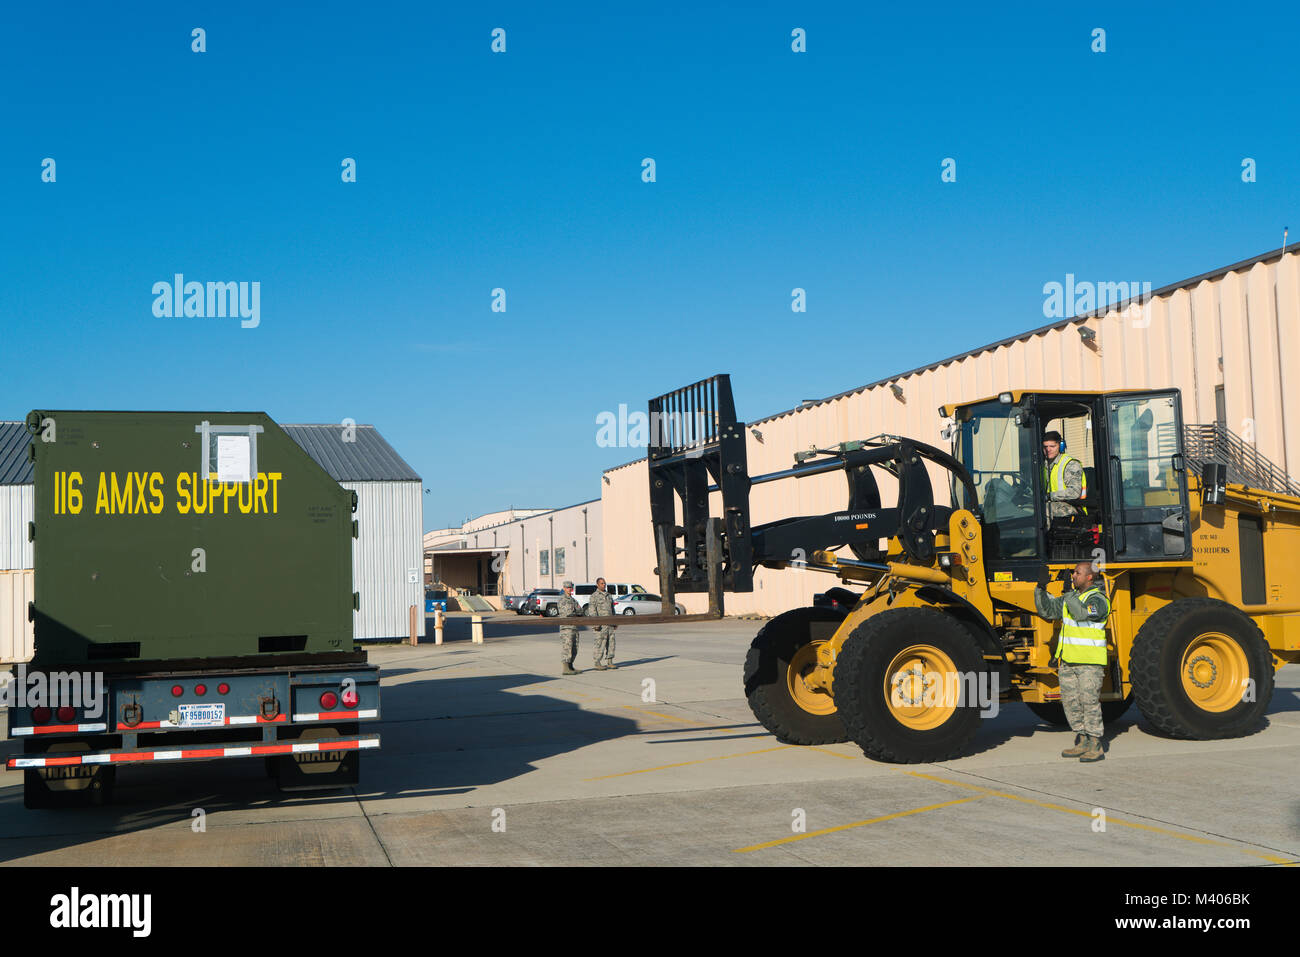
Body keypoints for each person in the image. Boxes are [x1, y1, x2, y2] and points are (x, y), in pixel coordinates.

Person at [1034, 561, 1111, 762]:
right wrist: (1040, 588)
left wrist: (1068, 595)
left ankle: (1095, 744)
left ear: (1089, 577)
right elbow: (1048, 611)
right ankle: (1082, 742)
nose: (1073, 576)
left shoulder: (1099, 600)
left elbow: (1081, 614)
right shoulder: (1073, 597)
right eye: (1074, 572)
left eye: (1078, 573)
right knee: (1071, 703)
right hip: (1068, 661)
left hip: (1089, 663)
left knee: (1089, 702)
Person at [585, 577, 618, 670]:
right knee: (599, 644)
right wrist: (596, 624)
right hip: (600, 625)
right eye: (602, 583)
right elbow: (592, 611)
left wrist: (615, 621)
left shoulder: (609, 595)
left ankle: (610, 661)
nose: (604, 585)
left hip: (610, 624)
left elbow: (612, 610)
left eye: (604, 583)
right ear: (597, 585)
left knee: (611, 643)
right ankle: (597, 662)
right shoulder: (594, 596)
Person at [557, 581, 583, 675]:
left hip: (574, 627)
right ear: (564, 588)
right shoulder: (562, 600)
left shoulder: (573, 600)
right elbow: (567, 613)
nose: (569, 589)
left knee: (575, 648)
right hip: (566, 628)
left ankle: (571, 666)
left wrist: (576, 613)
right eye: (567, 587)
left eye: (570, 587)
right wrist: (576, 613)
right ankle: (565, 668)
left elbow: (581, 611)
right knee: (567, 647)